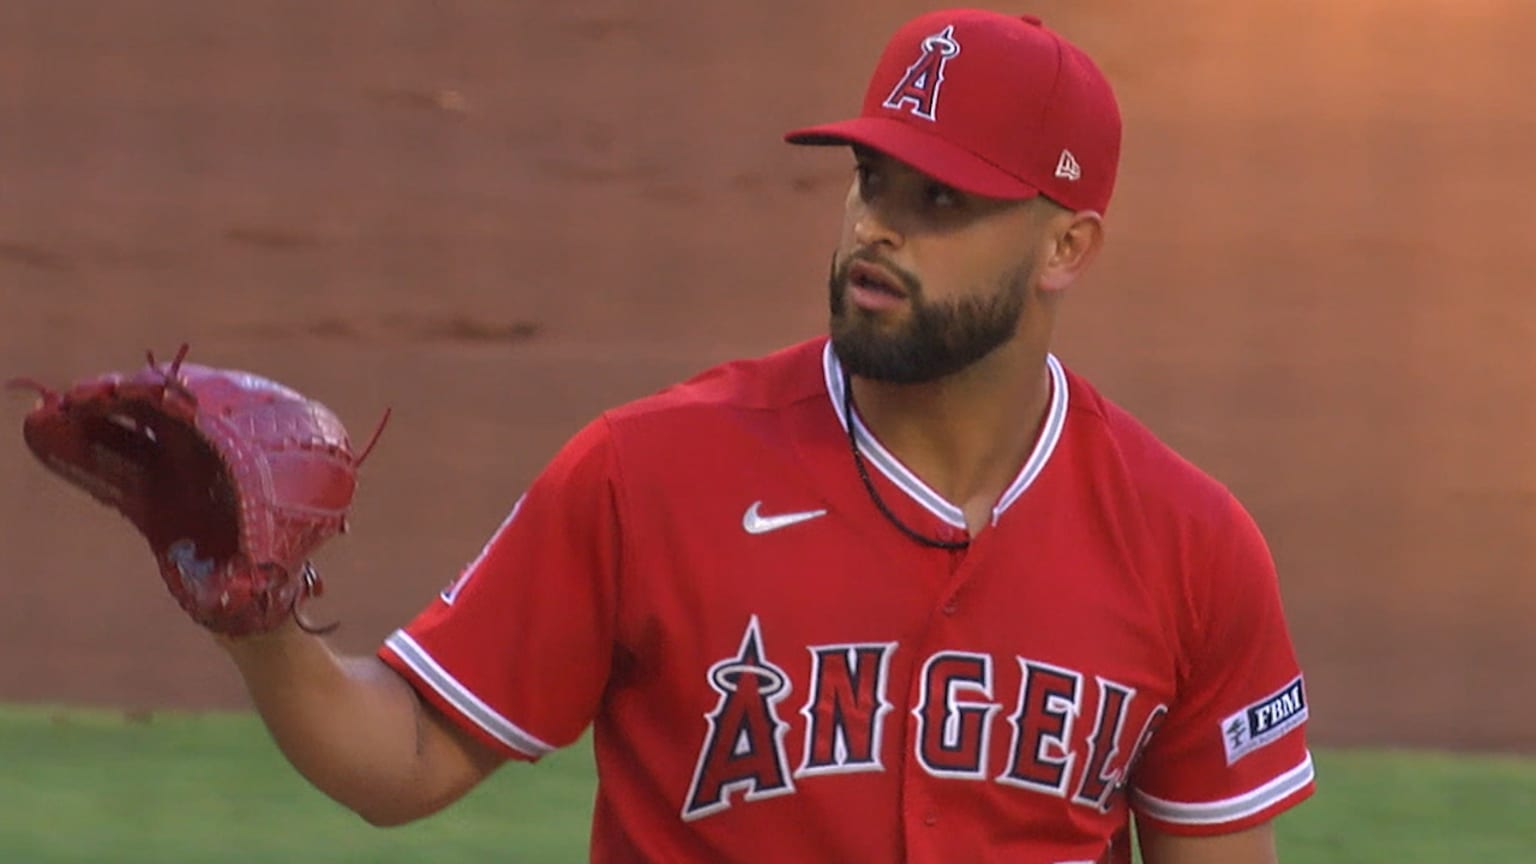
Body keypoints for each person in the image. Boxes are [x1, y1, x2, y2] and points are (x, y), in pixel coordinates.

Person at [216, 8, 1315, 863]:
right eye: (871, 181)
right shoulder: (649, 475)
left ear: (1065, 248)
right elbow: (408, 751)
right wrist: (259, 623)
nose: (879, 226)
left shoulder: (1190, 548)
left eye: (942, 201)